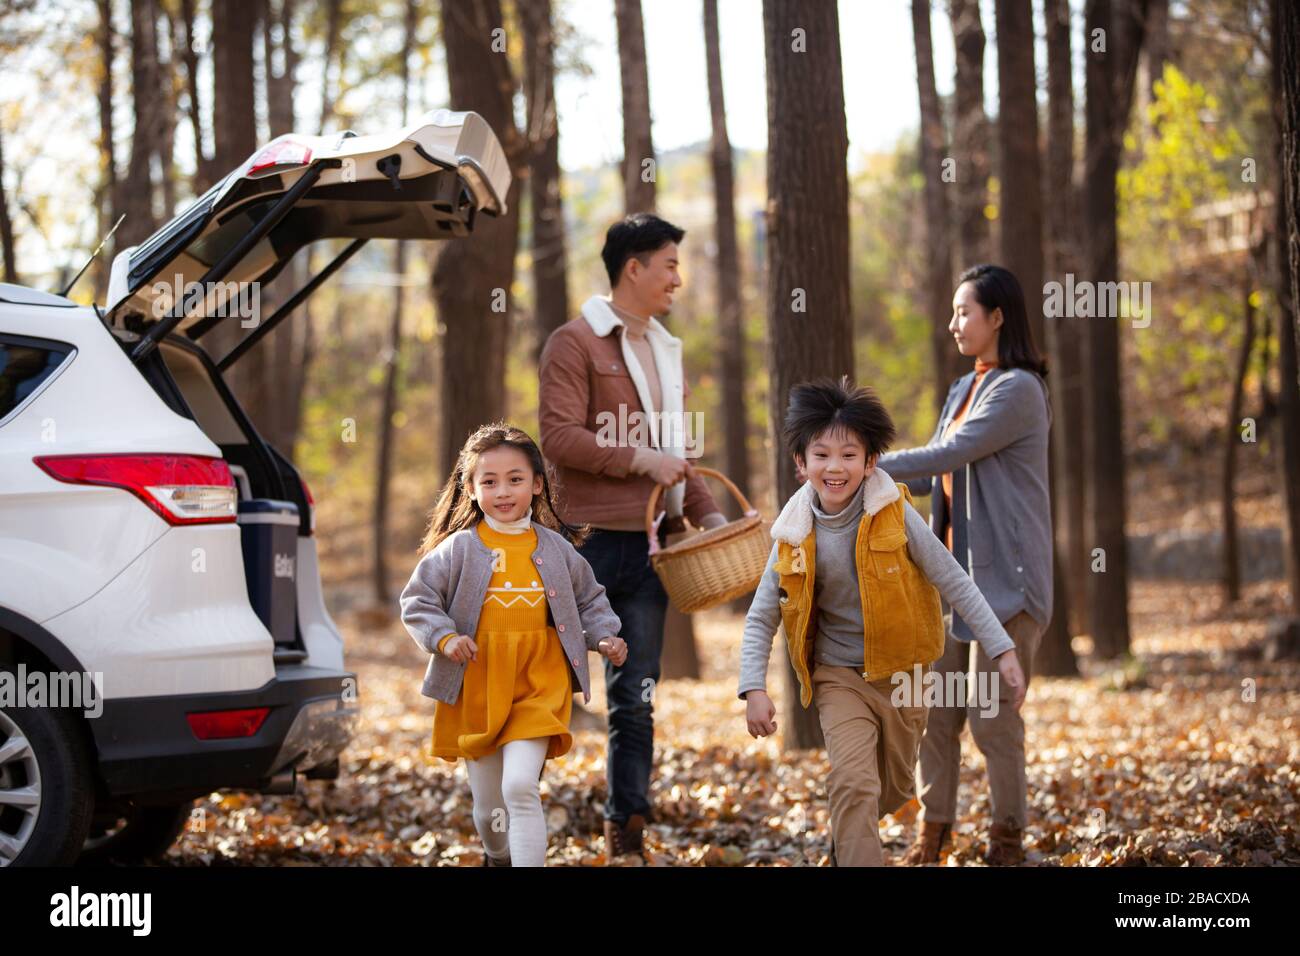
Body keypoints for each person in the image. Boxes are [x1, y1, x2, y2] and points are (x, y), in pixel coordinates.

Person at [738, 376, 1026, 867]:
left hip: (905, 679)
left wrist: (1001, 648)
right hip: (838, 676)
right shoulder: (791, 533)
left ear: (870, 462)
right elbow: (763, 613)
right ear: (800, 463)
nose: (835, 467)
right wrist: (753, 687)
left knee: (888, 789)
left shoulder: (893, 513)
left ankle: (850, 840)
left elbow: (953, 579)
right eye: (822, 455)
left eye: (849, 455)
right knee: (852, 782)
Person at [538, 212, 727, 863]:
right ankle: (515, 813)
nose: (678, 276)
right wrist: (640, 460)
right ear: (634, 268)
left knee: (635, 699)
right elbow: (558, 438)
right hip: (582, 546)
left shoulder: (665, 348)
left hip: (650, 552)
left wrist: (709, 518)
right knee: (550, 691)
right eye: (669, 264)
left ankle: (626, 832)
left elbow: (676, 453)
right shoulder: (575, 343)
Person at [879, 263, 1053, 866]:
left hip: (1008, 586)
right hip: (951, 585)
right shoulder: (963, 389)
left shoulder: (1019, 389)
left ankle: (1006, 838)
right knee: (936, 719)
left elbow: (956, 450)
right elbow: (931, 475)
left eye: (963, 312)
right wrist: (860, 465)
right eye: (953, 311)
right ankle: (935, 835)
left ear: (997, 317)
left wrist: (865, 460)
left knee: (990, 720)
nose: (952, 323)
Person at [399, 422, 628, 867]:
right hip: (478, 686)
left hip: (539, 681)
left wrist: (604, 636)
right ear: (470, 489)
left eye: (516, 479)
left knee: (521, 786)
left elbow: (591, 598)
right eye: (489, 481)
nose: (503, 491)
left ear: (537, 485)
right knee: (490, 811)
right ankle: (498, 856)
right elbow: (418, 600)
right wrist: (444, 638)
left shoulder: (556, 549)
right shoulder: (458, 549)